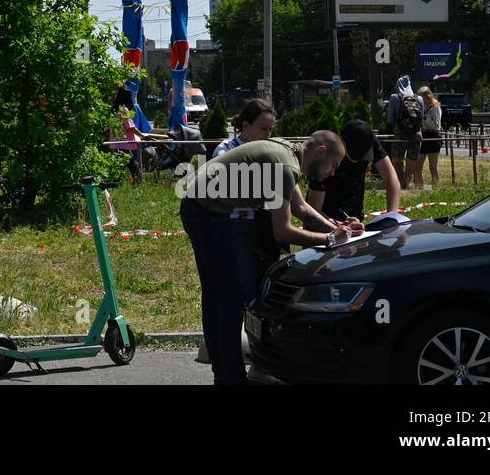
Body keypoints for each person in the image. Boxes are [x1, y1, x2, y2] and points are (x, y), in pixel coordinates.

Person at [179, 130, 360, 385]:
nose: (332, 172)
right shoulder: (285, 167)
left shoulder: (286, 152)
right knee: (232, 297)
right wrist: (330, 240)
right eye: (333, 165)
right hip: (209, 213)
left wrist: (338, 228)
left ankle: (225, 375)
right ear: (321, 152)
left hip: (199, 205)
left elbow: (301, 208)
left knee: (218, 295)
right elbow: (282, 231)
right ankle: (230, 377)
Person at [305, 118, 401, 231]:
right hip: (323, 220)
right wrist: (339, 226)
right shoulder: (327, 157)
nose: (332, 172)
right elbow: (313, 210)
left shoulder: (367, 141)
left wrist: (391, 218)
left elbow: (392, 179)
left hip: (352, 216)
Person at [386, 75, 424, 189]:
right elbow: (421, 117)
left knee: (397, 160)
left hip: (400, 134)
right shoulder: (419, 98)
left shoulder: (394, 97)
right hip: (416, 134)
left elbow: (390, 119)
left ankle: (401, 185)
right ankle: (406, 183)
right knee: (411, 160)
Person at [108, 87, 150, 182]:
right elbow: (130, 127)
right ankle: (138, 184)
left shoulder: (115, 109)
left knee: (120, 167)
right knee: (133, 167)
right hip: (123, 143)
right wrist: (142, 136)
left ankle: (115, 184)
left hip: (114, 142)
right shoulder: (124, 109)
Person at [416, 87, 443, 189]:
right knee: (417, 167)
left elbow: (436, 125)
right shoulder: (421, 107)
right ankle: (420, 189)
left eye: (421, 97)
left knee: (432, 167)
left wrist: (425, 119)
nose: (419, 100)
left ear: (427, 96)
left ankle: (436, 188)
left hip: (433, 137)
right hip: (423, 137)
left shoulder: (435, 107)